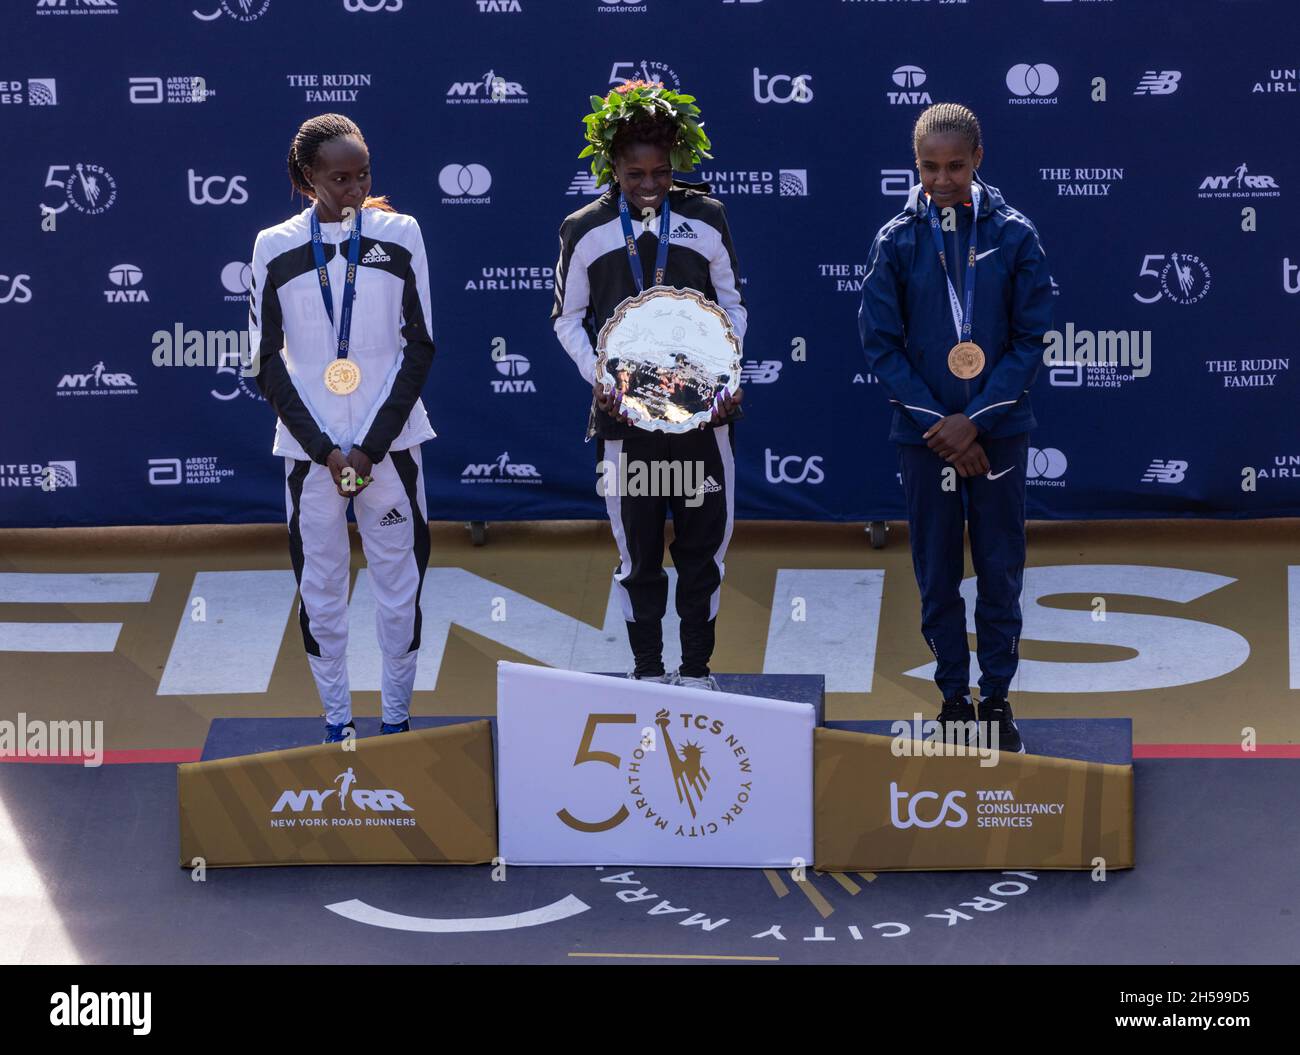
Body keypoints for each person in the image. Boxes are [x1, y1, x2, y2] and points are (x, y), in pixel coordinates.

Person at [859, 103, 1053, 752]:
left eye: (955, 166)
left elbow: (1030, 339)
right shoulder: (896, 240)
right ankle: (951, 698)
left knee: (999, 568)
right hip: (926, 439)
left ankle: (996, 698)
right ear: (915, 165)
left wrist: (975, 421)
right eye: (929, 166)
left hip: (997, 432)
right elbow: (881, 345)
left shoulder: (1015, 235)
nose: (942, 179)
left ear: (979, 159)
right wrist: (941, 426)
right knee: (936, 573)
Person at [248, 113, 436, 744]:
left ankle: (397, 722)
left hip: (392, 449)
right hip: (311, 458)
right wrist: (328, 449)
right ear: (308, 178)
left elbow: (421, 345)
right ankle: (337, 725)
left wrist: (370, 447)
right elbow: (265, 360)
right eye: (340, 178)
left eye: (363, 175)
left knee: (399, 587)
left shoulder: (402, 234)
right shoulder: (273, 247)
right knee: (321, 589)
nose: (356, 188)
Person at [552, 82, 746, 690]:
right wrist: (600, 378)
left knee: (702, 552)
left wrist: (725, 375)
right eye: (635, 174)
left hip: (702, 423)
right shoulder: (583, 230)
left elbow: (733, 306)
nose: (649, 186)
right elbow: (565, 319)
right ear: (612, 167)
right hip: (624, 425)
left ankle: (695, 672)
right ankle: (646, 673)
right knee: (638, 556)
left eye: (661, 172)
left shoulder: (706, 218)